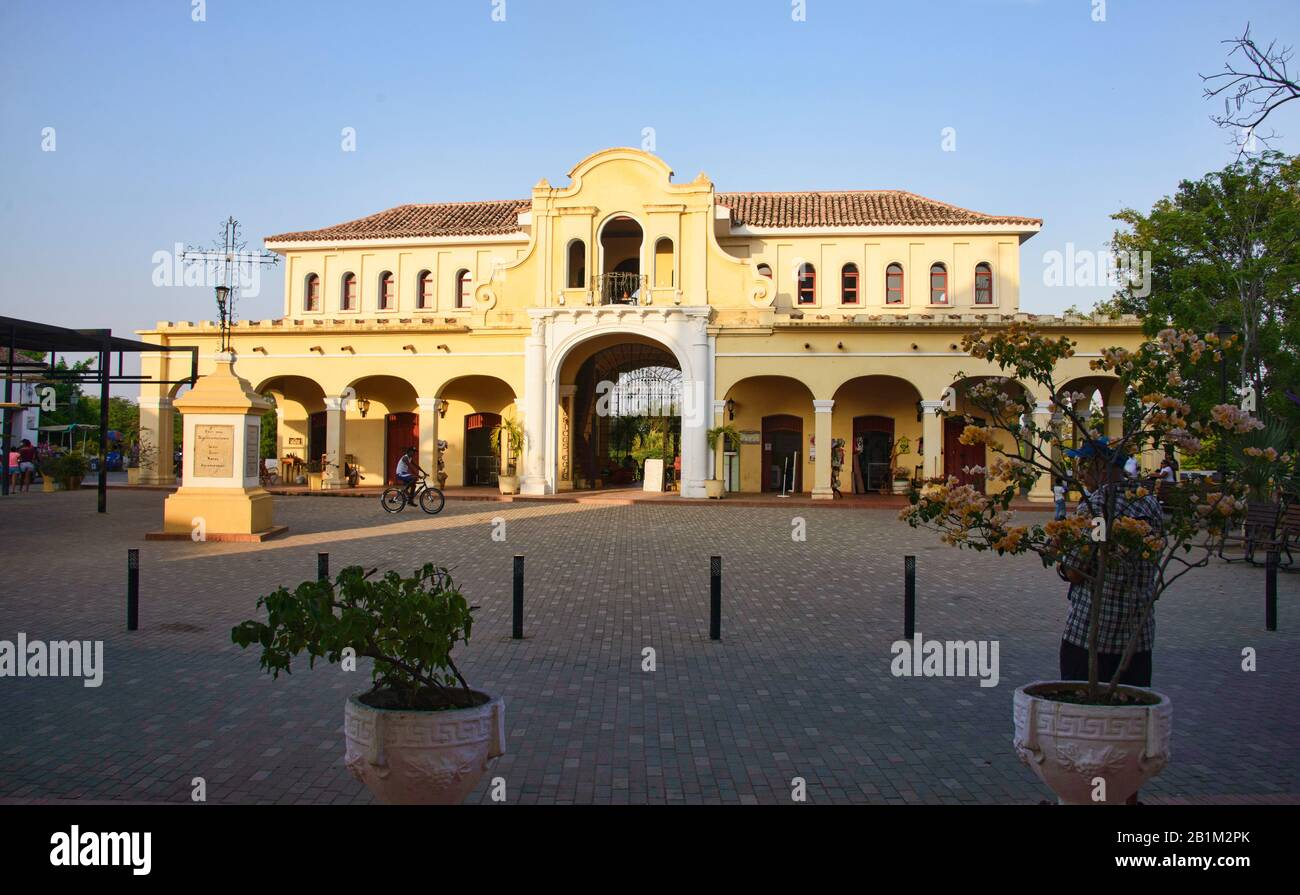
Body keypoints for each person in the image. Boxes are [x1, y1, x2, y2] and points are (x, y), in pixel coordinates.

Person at [1057, 437, 1163, 689]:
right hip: (1138, 638)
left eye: (1084, 464)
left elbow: (1075, 572)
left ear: (1101, 468)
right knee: (1131, 714)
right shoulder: (1149, 503)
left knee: (1083, 705)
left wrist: (1060, 559)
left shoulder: (1095, 507)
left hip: (1091, 635)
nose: (1081, 472)